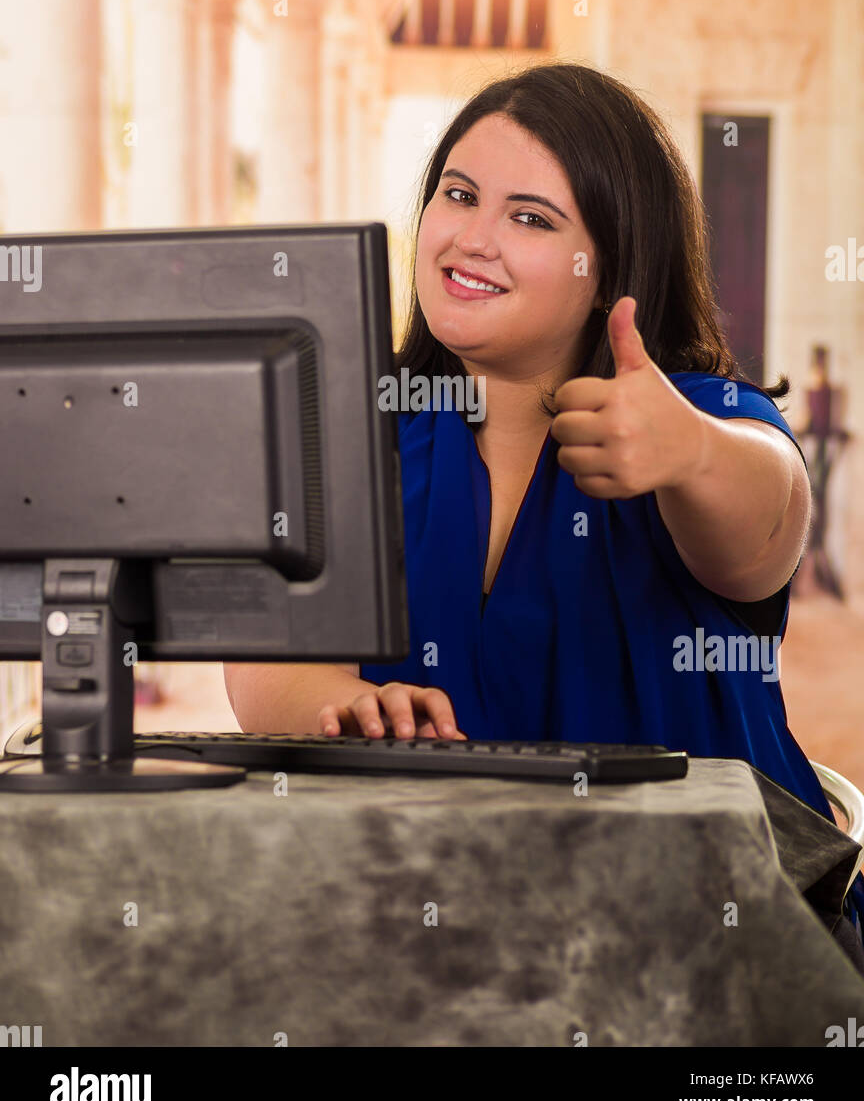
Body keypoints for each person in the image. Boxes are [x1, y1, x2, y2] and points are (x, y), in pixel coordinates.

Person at [224, 61, 864, 963]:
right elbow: (265, 661)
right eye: (458, 196)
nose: (472, 238)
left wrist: (687, 451)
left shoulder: (698, 416)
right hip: (433, 929)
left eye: (530, 218)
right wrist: (351, 706)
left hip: (703, 944)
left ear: (607, 268)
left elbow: (767, 523)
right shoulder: (357, 434)